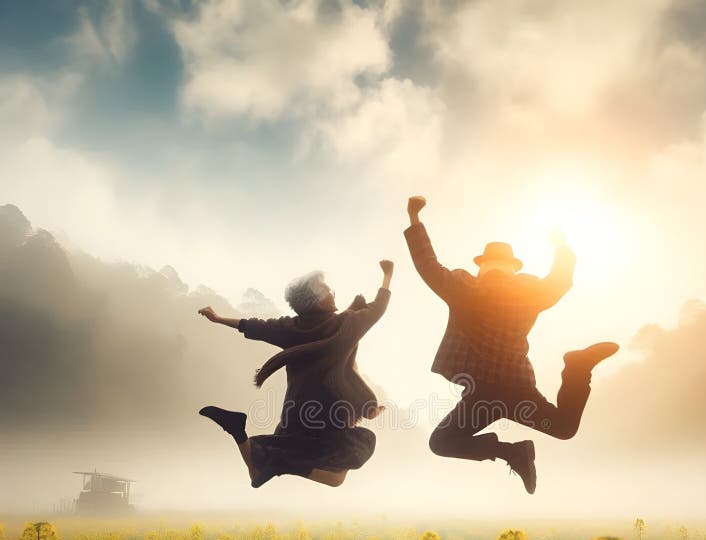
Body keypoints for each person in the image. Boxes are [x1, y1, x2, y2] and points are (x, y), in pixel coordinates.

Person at [404, 195, 618, 494]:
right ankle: (577, 369)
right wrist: (561, 245)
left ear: (482, 266)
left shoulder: (463, 288)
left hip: (482, 398)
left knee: (441, 442)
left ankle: (511, 452)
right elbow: (560, 281)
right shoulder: (528, 291)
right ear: (512, 268)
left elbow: (427, 265)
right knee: (564, 427)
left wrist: (414, 219)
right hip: (518, 393)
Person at [197, 260, 393, 488]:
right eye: (327, 289)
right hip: (330, 419)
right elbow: (378, 308)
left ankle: (239, 431)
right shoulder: (346, 325)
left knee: (256, 474)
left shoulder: (291, 328)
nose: (332, 292)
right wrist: (387, 275)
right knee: (339, 475)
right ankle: (280, 462)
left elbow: (256, 327)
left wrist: (219, 319)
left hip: (296, 416)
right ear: (319, 300)